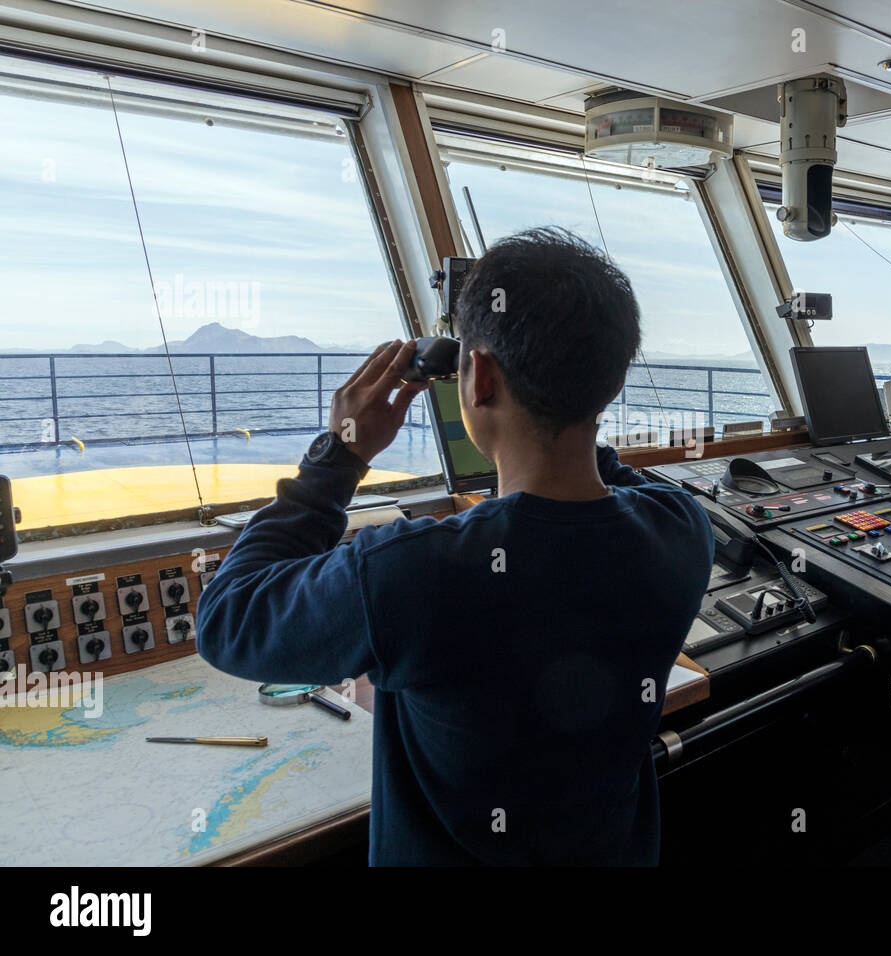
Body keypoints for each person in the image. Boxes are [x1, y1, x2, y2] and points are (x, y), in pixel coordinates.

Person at [196, 227, 714, 865]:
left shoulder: (410, 572)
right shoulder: (682, 530)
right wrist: (563, 386)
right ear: (611, 383)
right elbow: (601, 476)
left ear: (480, 378)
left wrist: (340, 456)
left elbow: (227, 619)